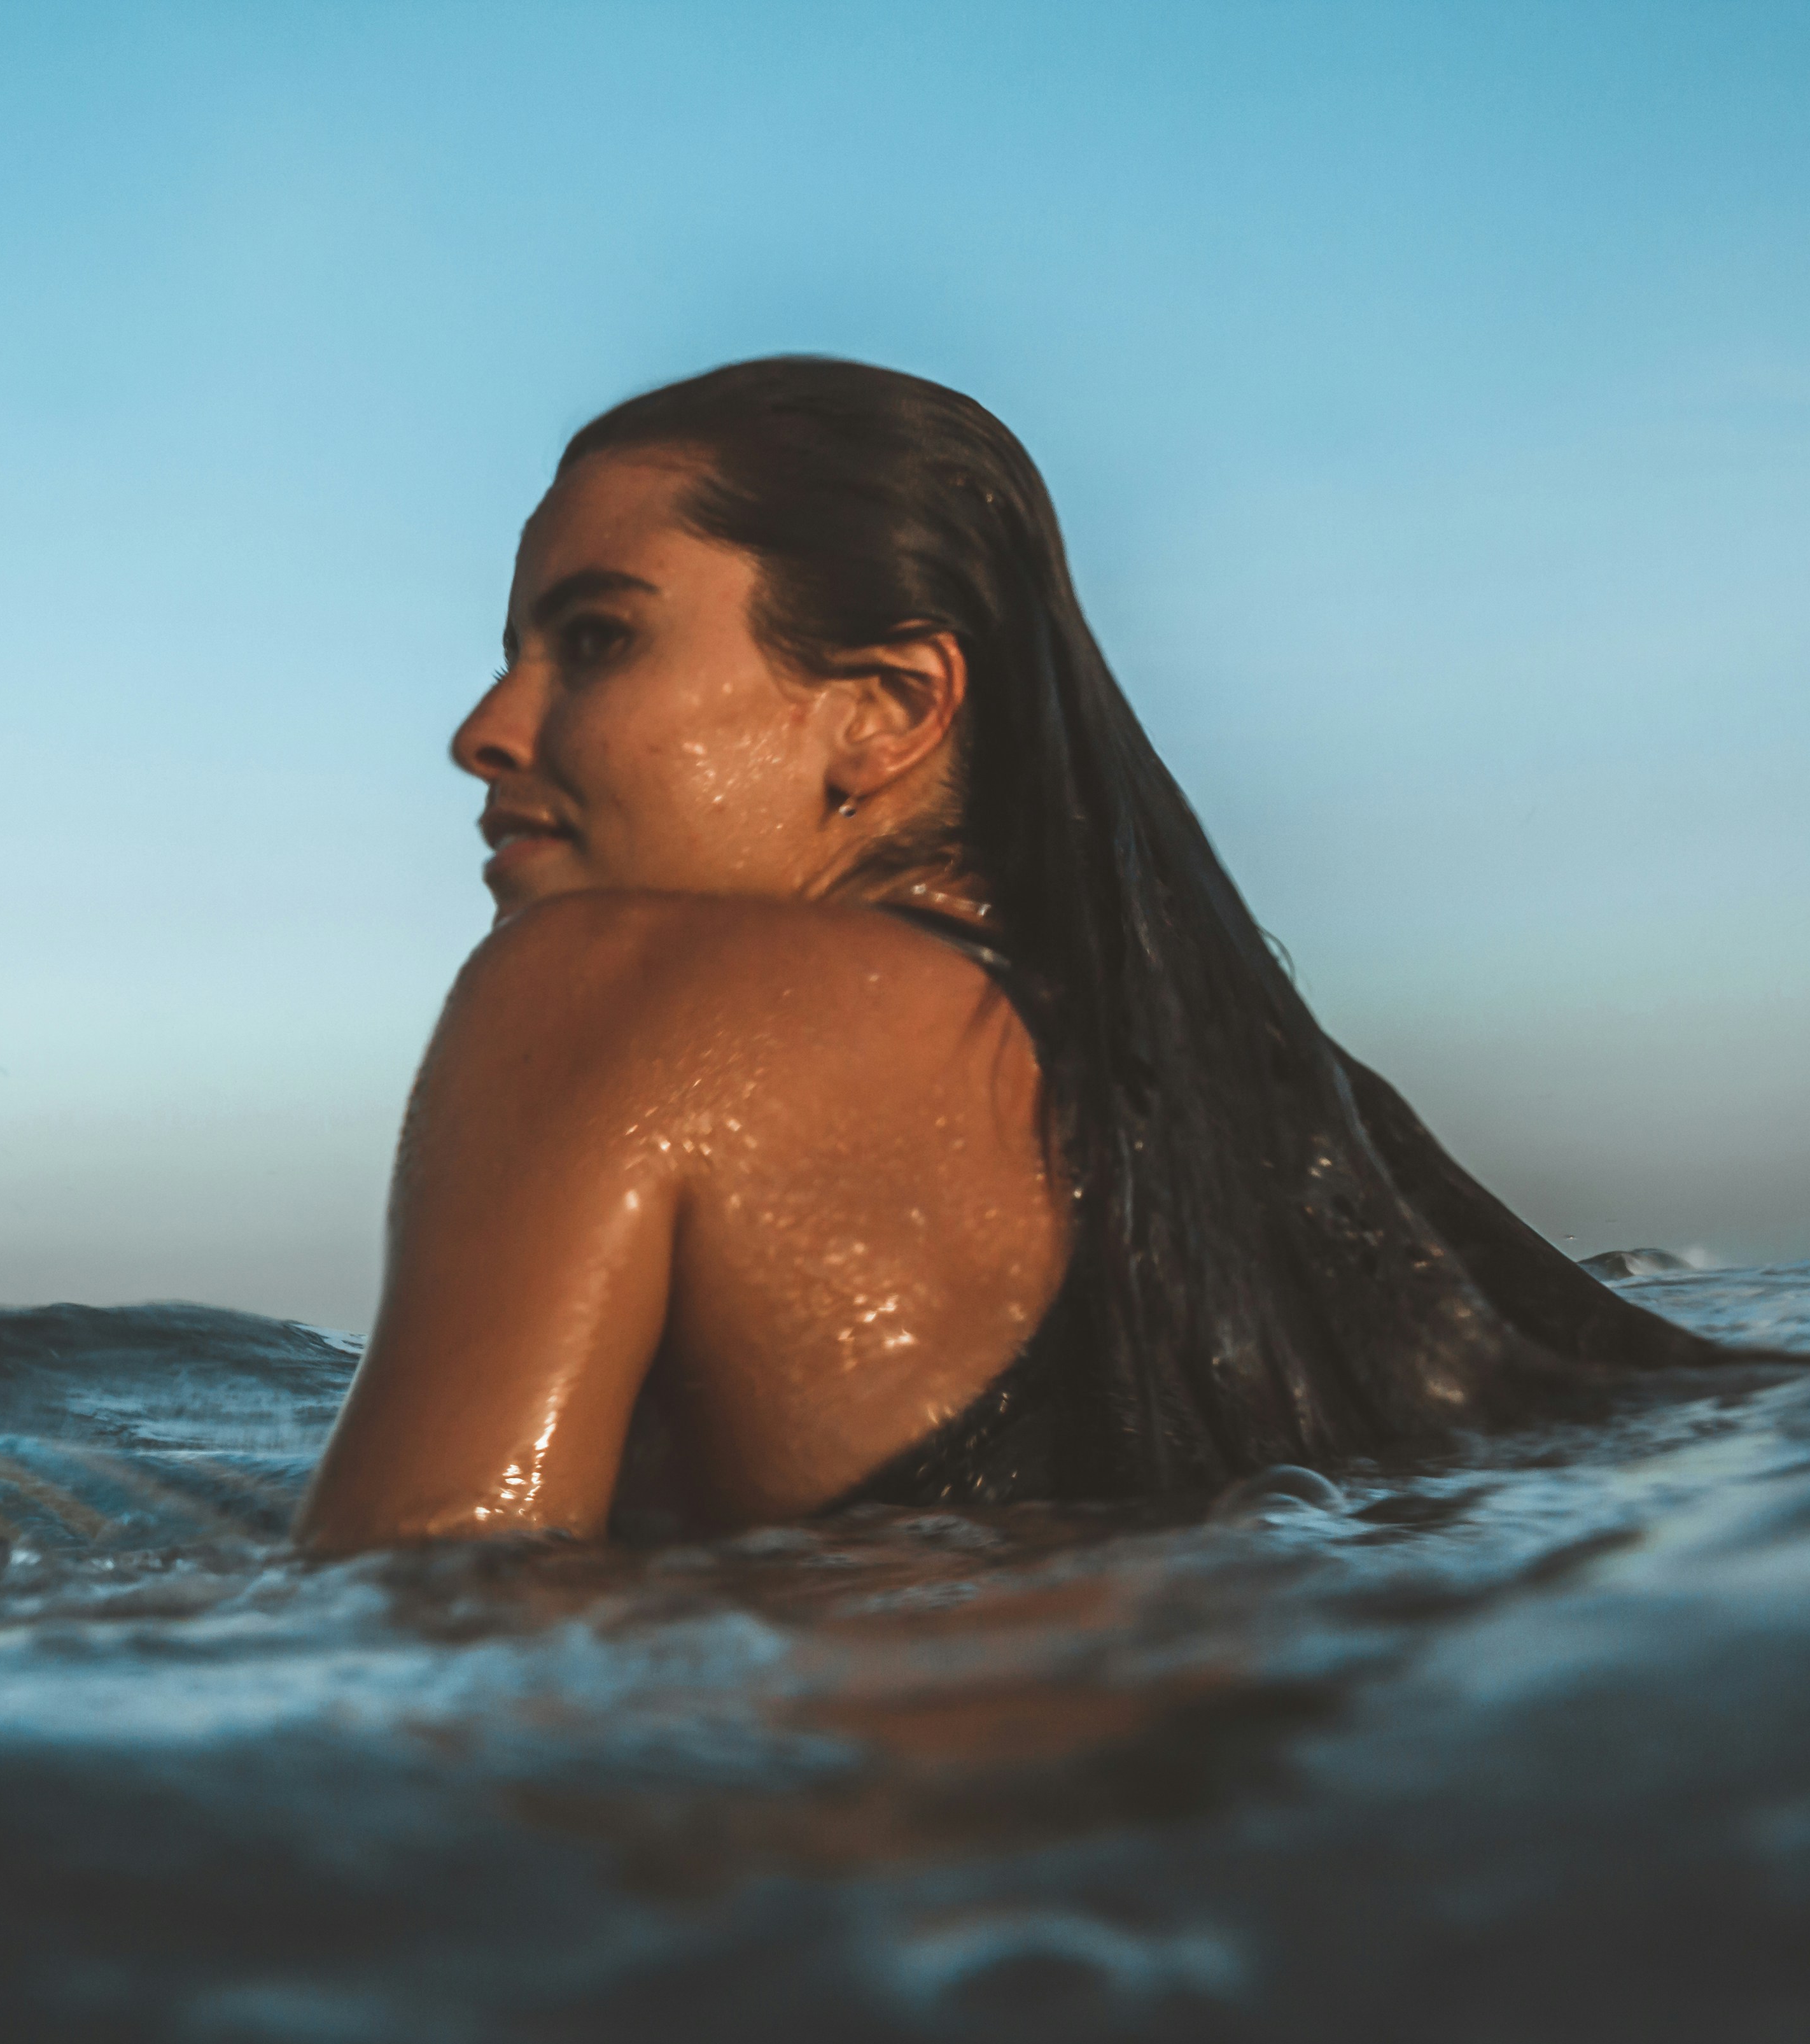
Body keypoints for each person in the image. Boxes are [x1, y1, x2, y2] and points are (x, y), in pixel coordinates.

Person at [296, 356, 1730, 1555]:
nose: (485, 726)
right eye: (512, 652)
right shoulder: (1244, 1113)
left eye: (595, 639)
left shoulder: (607, 991)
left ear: (890, 707)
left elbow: (419, 1640)